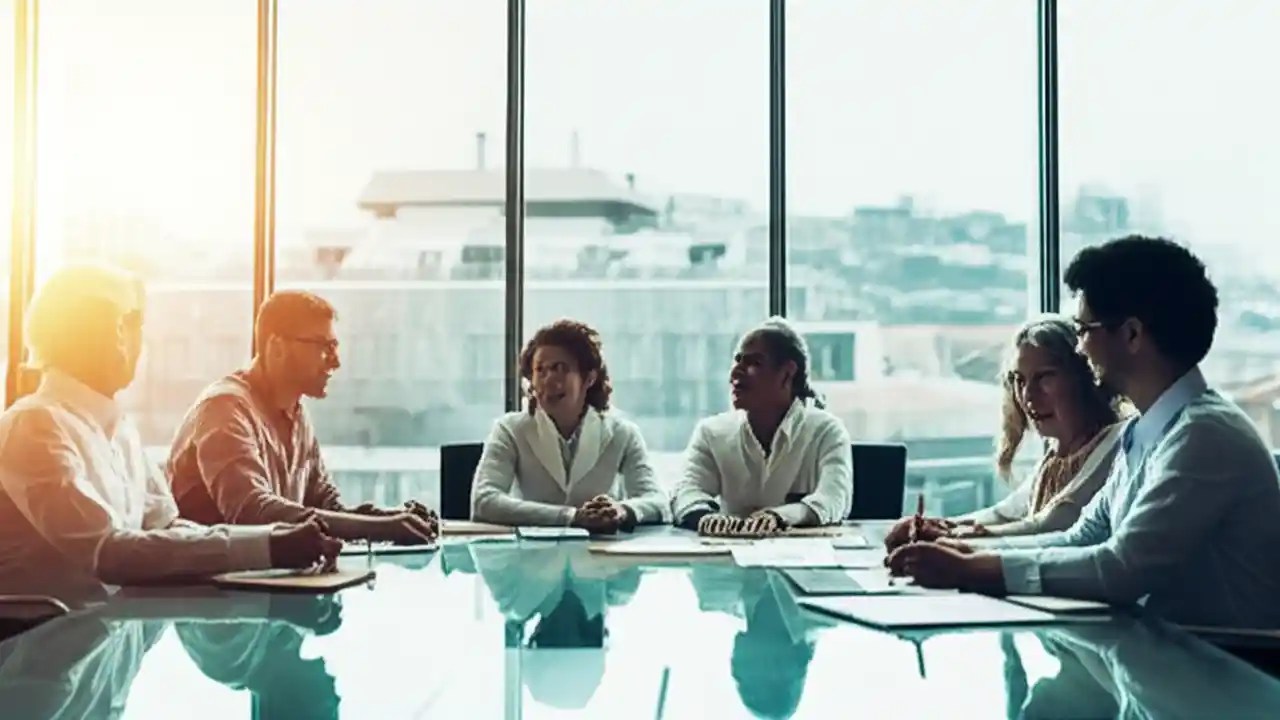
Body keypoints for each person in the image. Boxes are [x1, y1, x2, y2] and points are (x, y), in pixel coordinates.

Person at [888, 236, 1280, 628]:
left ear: (1131, 335)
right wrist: (964, 550)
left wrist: (972, 569)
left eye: (1084, 330)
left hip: (1227, 667)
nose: (1079, 348)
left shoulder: (1204, 437)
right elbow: (1080, 537)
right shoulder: (1147, 433)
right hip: (1163, 656)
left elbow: (1120, 568)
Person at [0, 266, 339, 608]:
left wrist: (270, 541)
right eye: (133, 327)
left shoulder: (118, 430)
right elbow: (108, 552)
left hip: (109, 640)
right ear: (112, 332)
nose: (138, 345)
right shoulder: (34, 426)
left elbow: (166, 526)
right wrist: (269, 547)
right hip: (46, 652)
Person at [166, 290, 437, 545]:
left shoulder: (296, 412)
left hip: (258, 581)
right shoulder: (225, 407)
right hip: (209, 590)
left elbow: (324, 506)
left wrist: (387, 518)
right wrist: (375, 529)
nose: (335, 361)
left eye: (335, 346)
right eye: (323, 346)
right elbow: (251, 512)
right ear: (276, 347)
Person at [884, 316, 1126, 549]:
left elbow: (1055, 522)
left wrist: (953, 537)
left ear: (1085, 376)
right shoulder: (1056, 454)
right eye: (1019, 381)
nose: (1028, 395)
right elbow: (1004, 514)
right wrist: (936, 526)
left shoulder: (1116, 443)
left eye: (1044, 378)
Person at [471, 319, 668, 531]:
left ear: (589, 378)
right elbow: (484, 502)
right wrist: (570, 517)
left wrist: (622, 510)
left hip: (601, 557)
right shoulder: (510, 429)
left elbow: (658, 502)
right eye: (540, 370)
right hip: (533, 555)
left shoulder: (622, 432)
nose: (547, 380)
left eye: (559, 369)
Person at [671, 317, 852, 535]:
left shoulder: (826, 431)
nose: (735, 373)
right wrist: (705, 517)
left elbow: (834, 499)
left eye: (753, 363)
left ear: (787, 374)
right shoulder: (711, 432)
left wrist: (782, 516)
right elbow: (686, 491)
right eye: (737, 361)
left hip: (802, 561)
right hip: (727, 560)